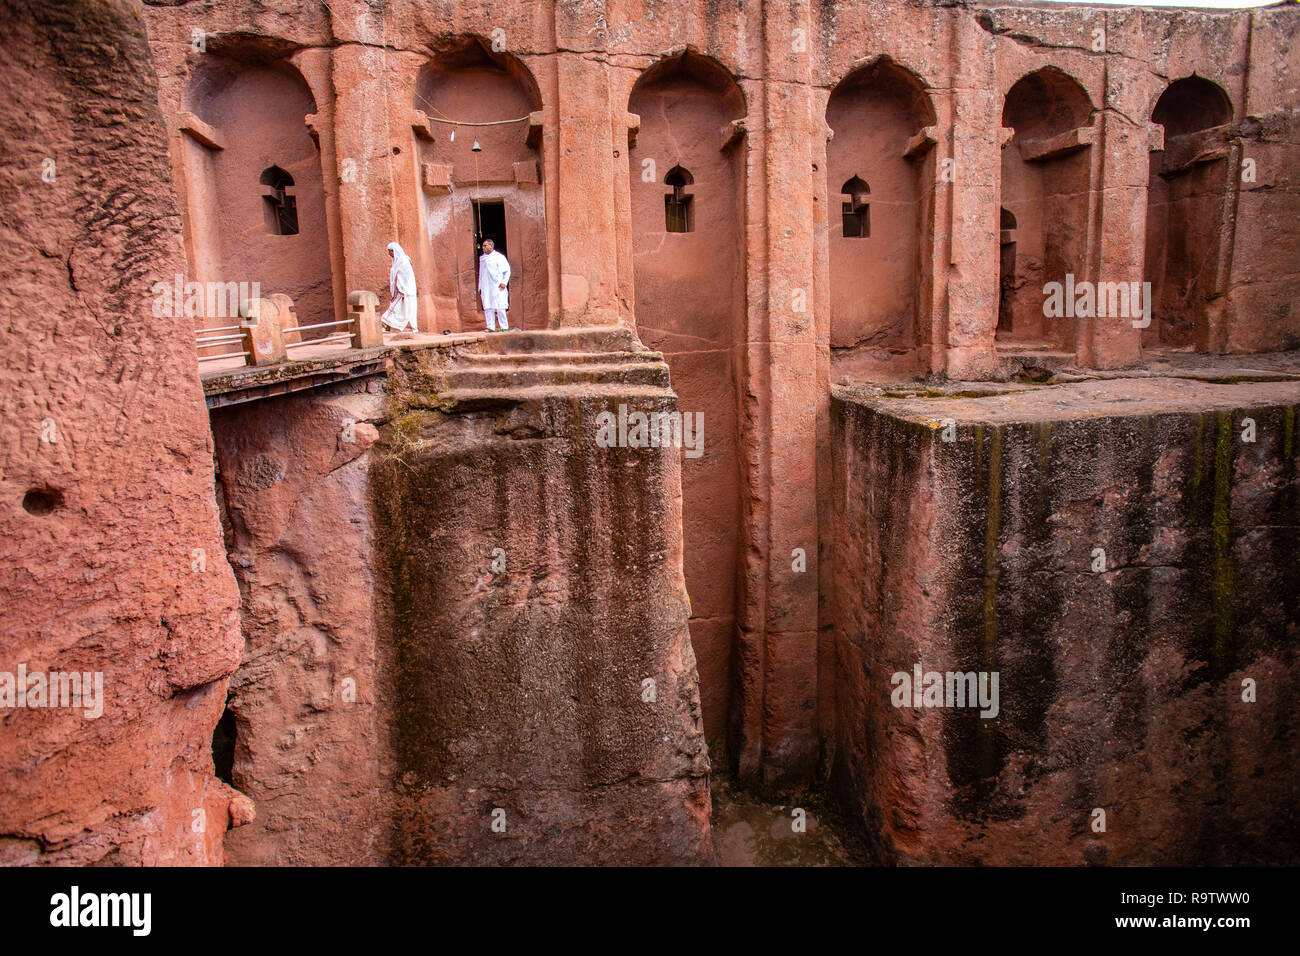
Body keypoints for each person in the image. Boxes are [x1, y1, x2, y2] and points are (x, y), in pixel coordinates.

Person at [381, 242, 418, 334]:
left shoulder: (403, 262)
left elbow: (406, 277)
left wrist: (402, 288)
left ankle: (384, 325)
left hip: (404, 290)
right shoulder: (398, 261)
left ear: (394, 251)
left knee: (395, 308)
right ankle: (387, 327)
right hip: (401, 291)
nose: (389, 254)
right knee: (398, 309)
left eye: (390, 251)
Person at [478, 238, 511, 332]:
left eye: (485, 246)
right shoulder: (482, 258)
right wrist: (480, 286)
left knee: (500, 306)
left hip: (497, 285)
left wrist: (504, 282)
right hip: (486, 286)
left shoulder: (499, 257)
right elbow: (481, 273)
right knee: (488, 306)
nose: (483, 248)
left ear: (491, 246)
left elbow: (507, 270)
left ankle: (504, 327)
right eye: (483, 246)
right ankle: (490, 327)